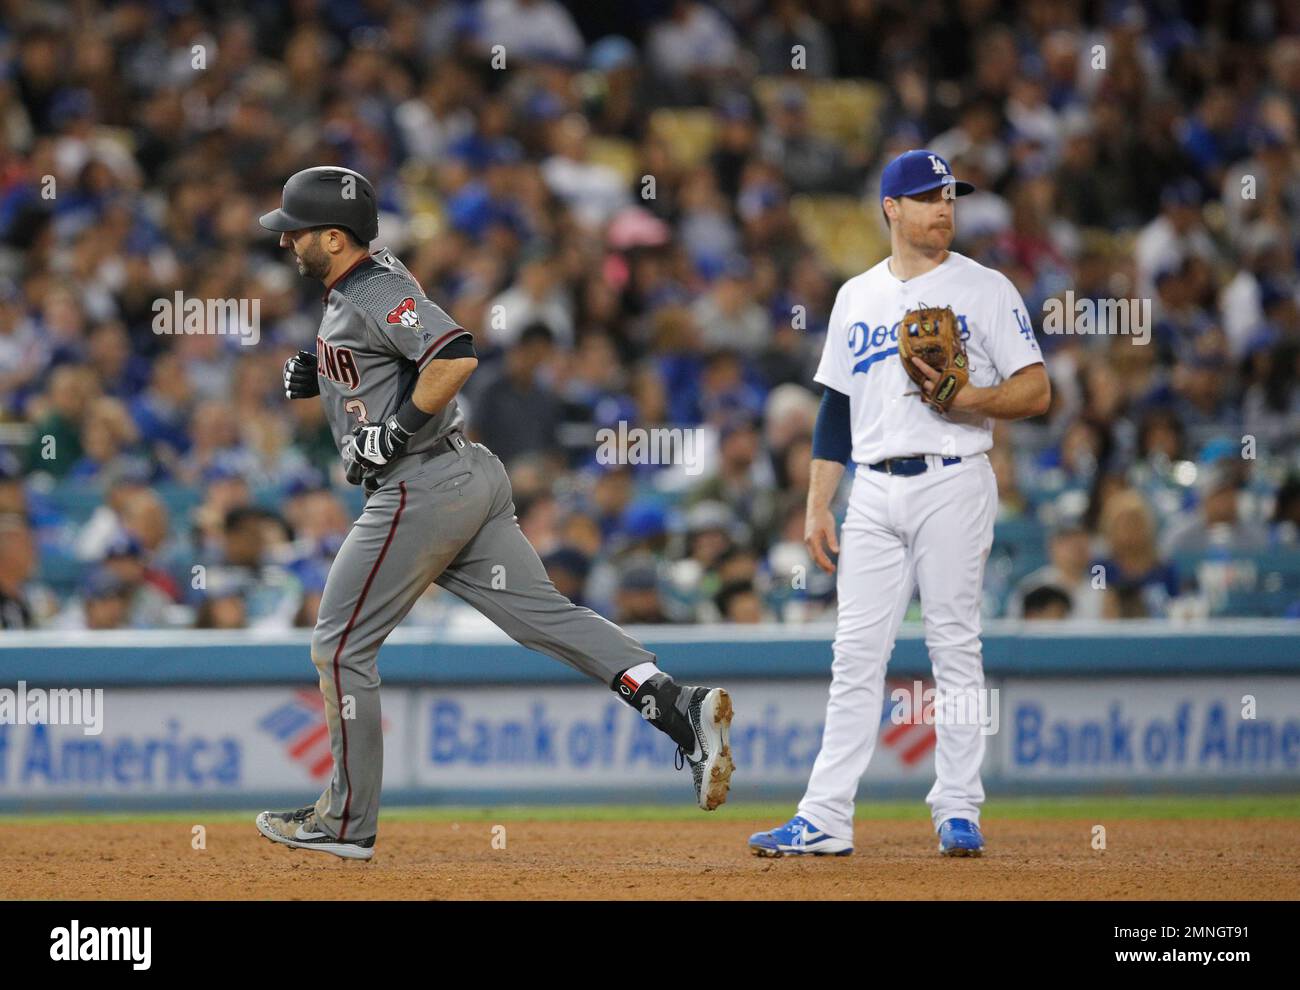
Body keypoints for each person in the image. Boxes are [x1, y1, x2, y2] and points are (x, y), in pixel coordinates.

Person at [253, 167, 734, 860]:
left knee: (339, 647)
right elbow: (389, 358)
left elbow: (454, 354)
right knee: (546, 618)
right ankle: (678, 706)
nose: (286, 241)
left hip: (419, 487)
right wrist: (325, 373)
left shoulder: (375, 286)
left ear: (334, 237)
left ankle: (346, 821)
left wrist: (396, 428)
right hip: (466, 480)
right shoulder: (362, 287)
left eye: (296, 231)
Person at [749, 150, 1050, 858]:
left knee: (954, 643)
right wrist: (818, 506)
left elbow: (1036, 391)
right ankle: (824, 816)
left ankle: (958, 809)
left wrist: (970, 397)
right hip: (874, 487)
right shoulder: (856, 294)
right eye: (926, 197)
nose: (943, 208)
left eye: (949, 197)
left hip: (955, 477)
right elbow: (835, 410)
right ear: (891, 207)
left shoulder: (985, 287)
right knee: (855, 653)